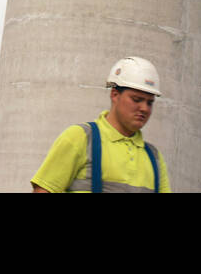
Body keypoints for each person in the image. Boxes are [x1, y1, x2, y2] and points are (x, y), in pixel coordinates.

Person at [31, 56, 170, 193]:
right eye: (137, 99)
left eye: (149, 102)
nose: (144, 108)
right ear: (115, 95)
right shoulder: (81, 138)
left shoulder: (154, 157)